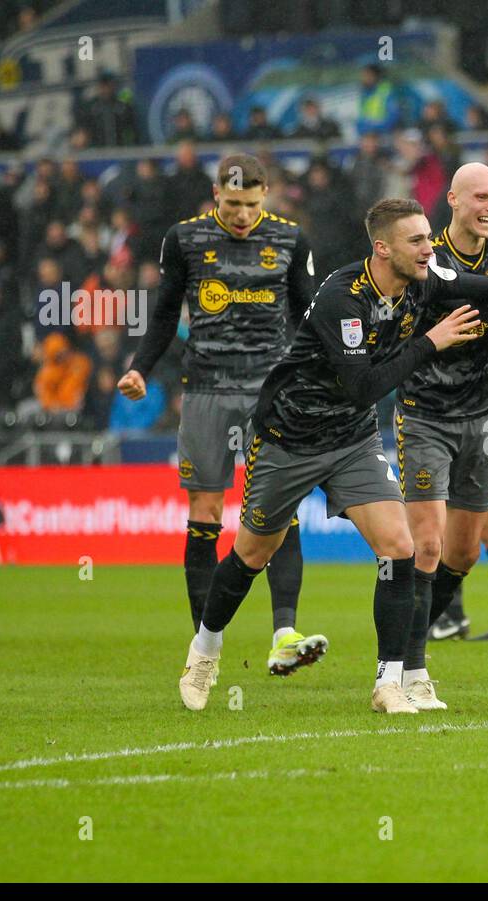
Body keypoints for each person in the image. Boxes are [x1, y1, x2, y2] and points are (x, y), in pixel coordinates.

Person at [177, 197, 488, 714]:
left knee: (399, 547)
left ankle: (388, 684)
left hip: (352, 442)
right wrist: (432, 341)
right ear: (383, 249)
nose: (430, 248)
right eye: (417, 240)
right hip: (289, 438)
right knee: (251, 555)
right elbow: (362, 386)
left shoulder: (427, 279)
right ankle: (205, 647)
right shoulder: (342, 297)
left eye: (429, 237)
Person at [117, 154, 327, 678]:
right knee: (206, 511)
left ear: (266, 196)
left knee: (279, 509)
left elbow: (309, 316)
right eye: (232, 204)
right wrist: (140, 367)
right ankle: (203, 650)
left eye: (251, 205)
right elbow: (166, 311)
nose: (240, 215)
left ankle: (285, 636)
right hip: (207, 389)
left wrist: (322, 376)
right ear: (216, 194)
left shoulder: (289, 239)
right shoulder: (184, 240)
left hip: (271, 391)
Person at [393, 163, 488, 709]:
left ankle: (408, 640)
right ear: (452, 199)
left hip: (479, 420)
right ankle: (413, 671)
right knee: (426, 544)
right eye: (480, 197)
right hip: (425, 414)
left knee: (463, 552)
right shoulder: (427, 256)